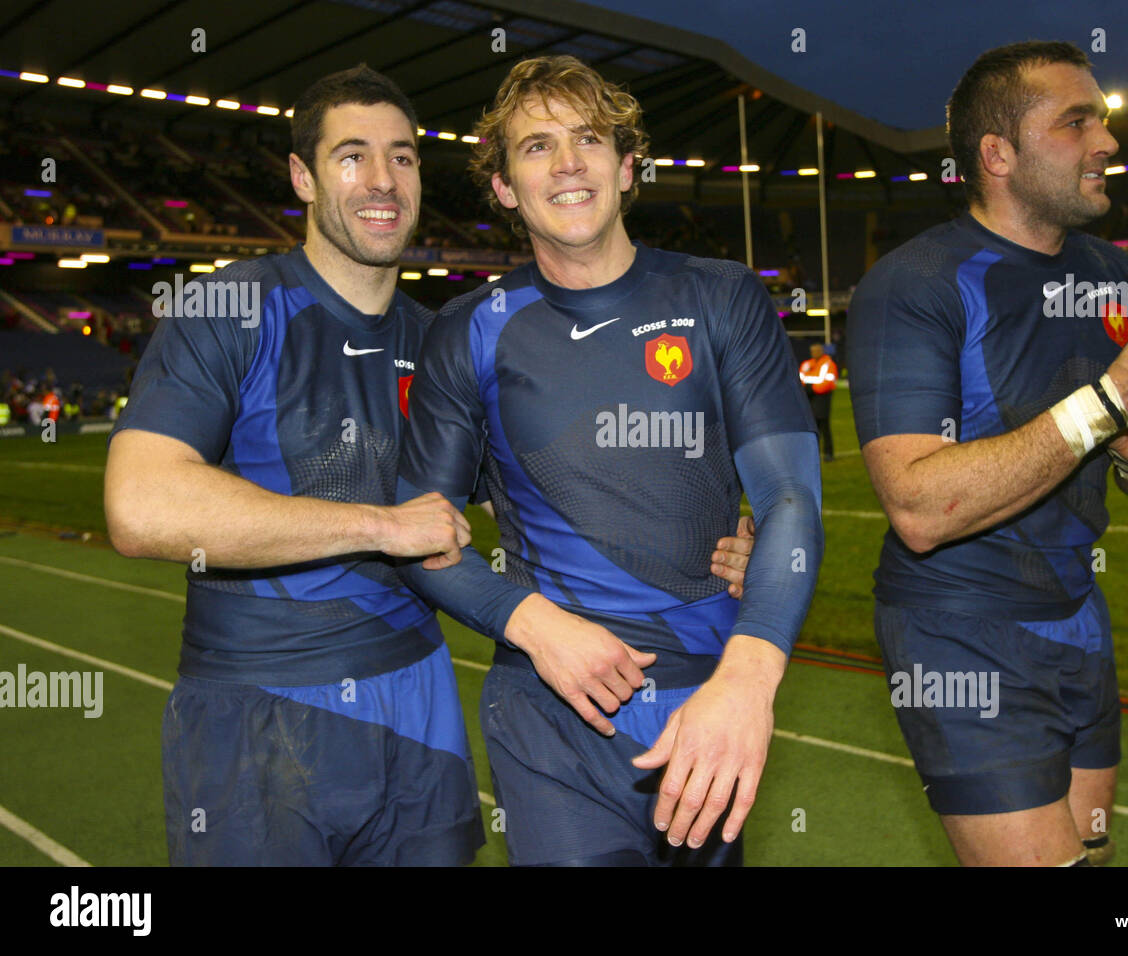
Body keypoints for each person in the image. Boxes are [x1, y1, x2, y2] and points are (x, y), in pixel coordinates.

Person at [102, 63, 750, 867]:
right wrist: (379, 524)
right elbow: (141, 506)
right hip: (259, 705)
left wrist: (724, 536)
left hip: (421, 706)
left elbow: (561, 494)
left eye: (402, 156)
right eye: (351, 156)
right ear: (303, 177)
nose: (382, 180)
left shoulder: (446, 337)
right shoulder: (230, 308)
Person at [397, 54, 823, 866]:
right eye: (535, 146)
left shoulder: (721, 297)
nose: (566, 164)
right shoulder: (469, 330)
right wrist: (533, 623)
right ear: (503, 187)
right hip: (550, 712)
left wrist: (748, 678)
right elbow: (419, 533)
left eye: (589, 138)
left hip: (709, 704)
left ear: (627, 168)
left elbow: (792, 503)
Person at [847, 41, 1128, 867]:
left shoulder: (1117, 277)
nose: (1109, 142)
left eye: (1106, 120)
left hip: (1080, 615)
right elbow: (917, 506)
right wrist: (1111, 405)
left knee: (1092, 858)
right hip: (959, 627)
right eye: (1076, 122)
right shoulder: (917, 286)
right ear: (998, 155)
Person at [798, 342, 838, 461]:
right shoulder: (807, 364)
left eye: (816, 351)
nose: (814, 353)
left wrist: (810, 387)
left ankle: (828, 453)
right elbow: (800, 378)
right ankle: (811, 453)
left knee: (824, 426)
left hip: (822, 398)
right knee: (811, 427)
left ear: (821, 351)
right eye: (812, 351)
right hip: (809, 397)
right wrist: (808, 387)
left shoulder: (828, 364)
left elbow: (828, 382)